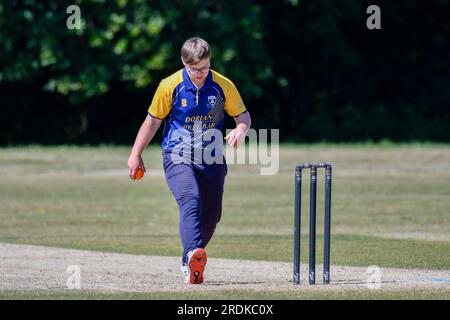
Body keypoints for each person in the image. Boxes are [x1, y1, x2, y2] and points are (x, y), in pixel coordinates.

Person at [127, 37, 251, 284]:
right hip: (178, 155)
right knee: (190, 199)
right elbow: (152, 121)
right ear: (184, 63)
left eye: (204, 68)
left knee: (211, 216)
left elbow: (243, 115)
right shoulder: (169, 85)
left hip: (212, 157)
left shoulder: (222, 85)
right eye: (194, 69)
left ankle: (191, 259)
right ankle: (193, 252)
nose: (200, 74)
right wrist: (135, 154)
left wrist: (240, 129)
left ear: (210, 62)